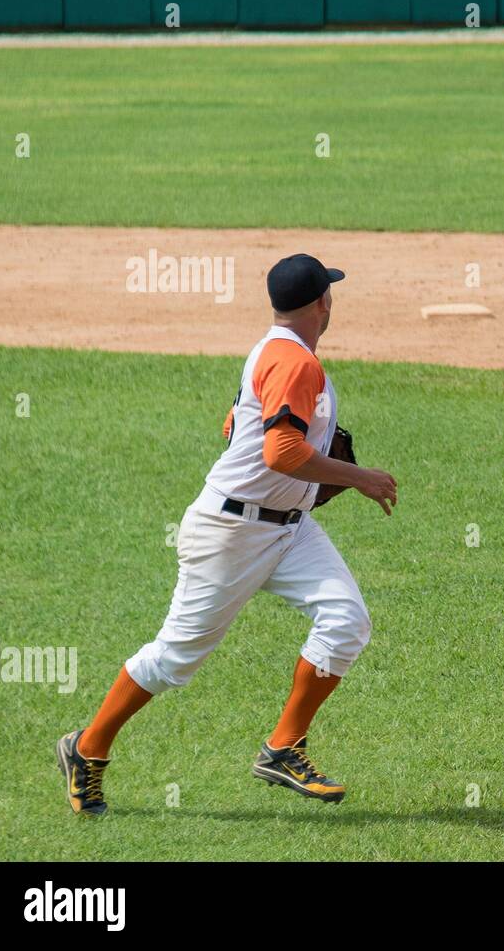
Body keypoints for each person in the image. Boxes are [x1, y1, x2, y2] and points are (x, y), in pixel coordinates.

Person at [57, 254, 398, 813]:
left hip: (287, 530)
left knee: (346, 622)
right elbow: (281, 450)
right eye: (329, 293)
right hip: (229, 533)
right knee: (174, 659)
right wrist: (359, 478)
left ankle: (283, 746)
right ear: (322, 303)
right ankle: (87, 748)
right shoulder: (296, 364)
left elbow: (239, 424)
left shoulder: (272, 351)